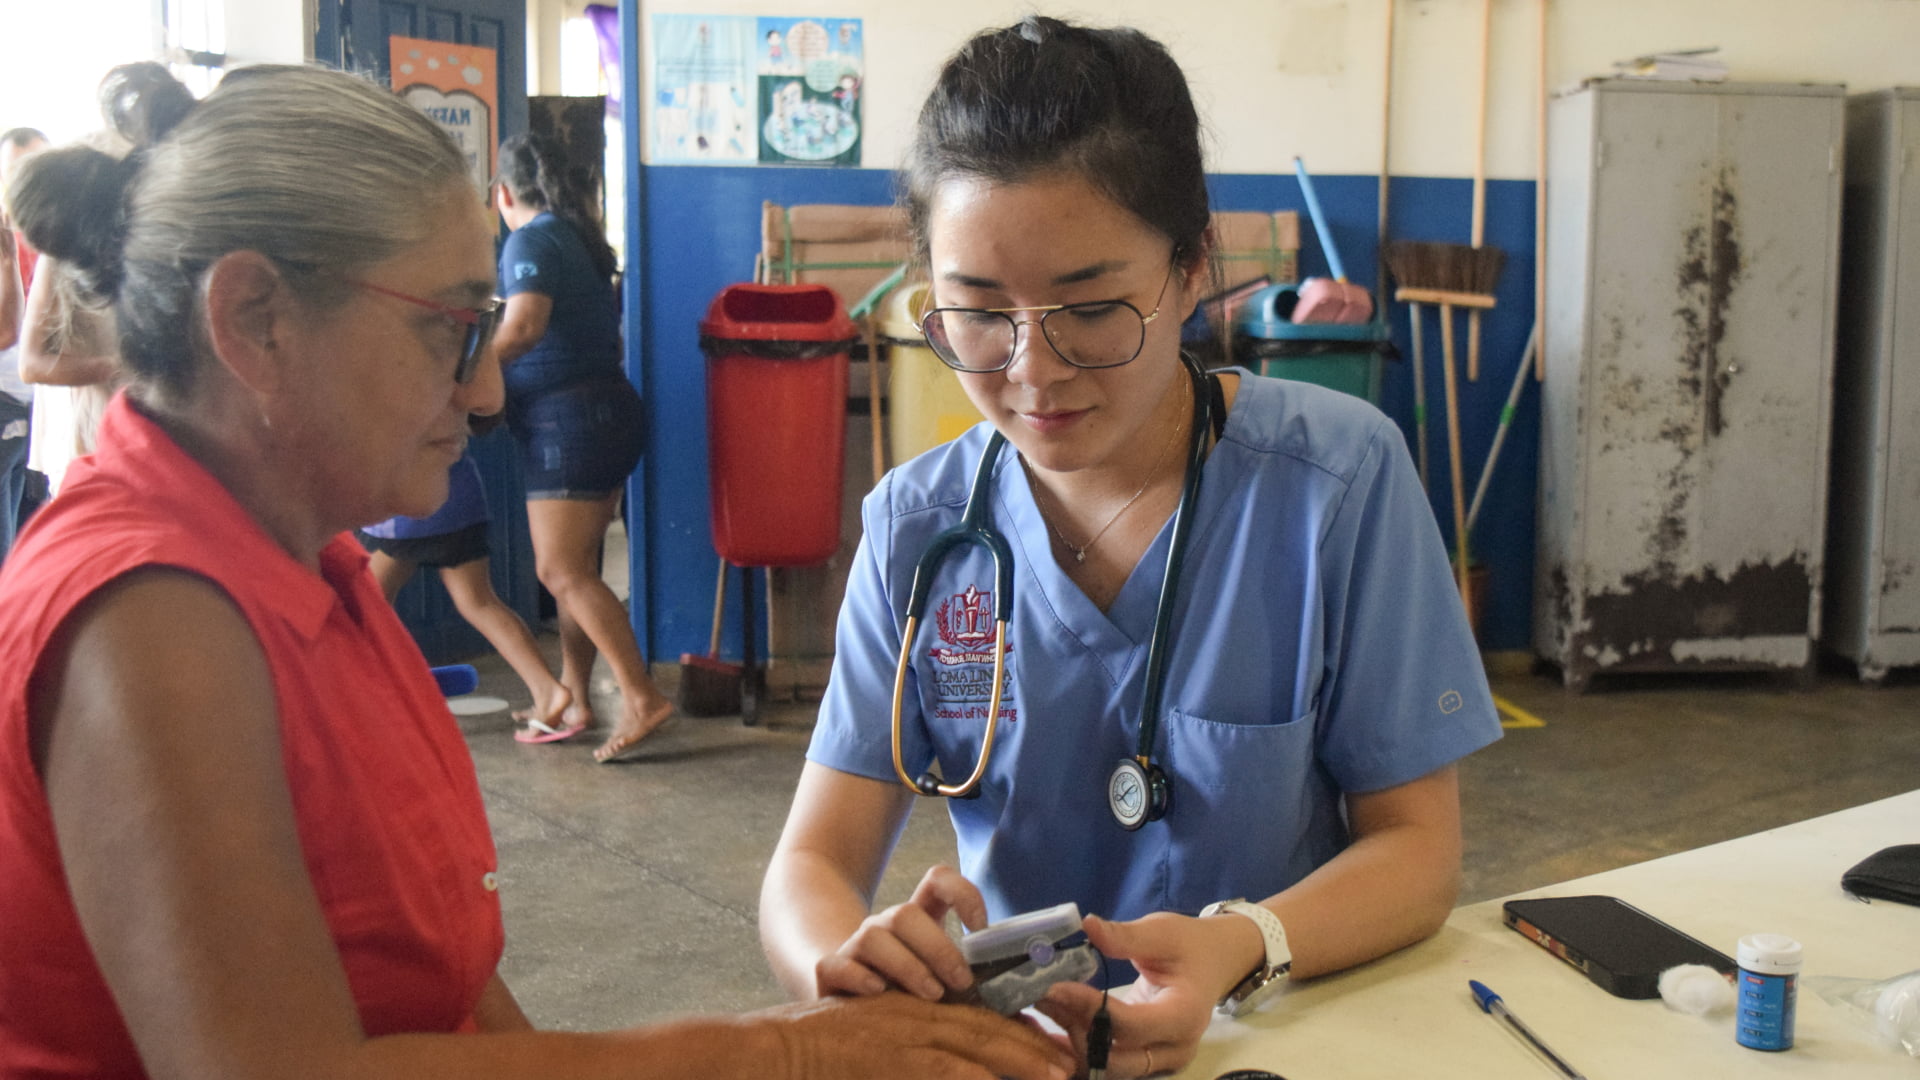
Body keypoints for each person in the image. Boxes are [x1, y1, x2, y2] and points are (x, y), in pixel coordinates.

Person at [0, 62, 1073, 1080]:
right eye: (451, 333)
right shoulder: (149, 618)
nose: (483, 395)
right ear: (253, 318)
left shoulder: (305, 566)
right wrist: (781, 1054)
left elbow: (451, 1000)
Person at [758, 17, 1504, 1079]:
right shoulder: (918, 531)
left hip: (1278, 1035)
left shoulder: (1335, 485)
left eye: (1093, 309)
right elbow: (813, 861)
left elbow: (1419, 853)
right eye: (976, 312)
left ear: (1193, 270)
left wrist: (1243, 948)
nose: (1033, 370)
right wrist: (850, 963)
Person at [490, 130, 673, 762]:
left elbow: (523, 327)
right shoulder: (572, 236)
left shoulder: (528, 240)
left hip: (569, 425)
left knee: (559, 570)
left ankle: (641, 695)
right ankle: (575, 695)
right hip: (601, 413)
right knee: (578, 568)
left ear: (503, 192)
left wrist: (464, 378)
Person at [359, 449, 574, 738]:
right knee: (479, 602)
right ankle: (548, 690)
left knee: (367, 604)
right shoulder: (453, 402)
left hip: (407, 503)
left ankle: (381, 701)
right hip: (459, 496)